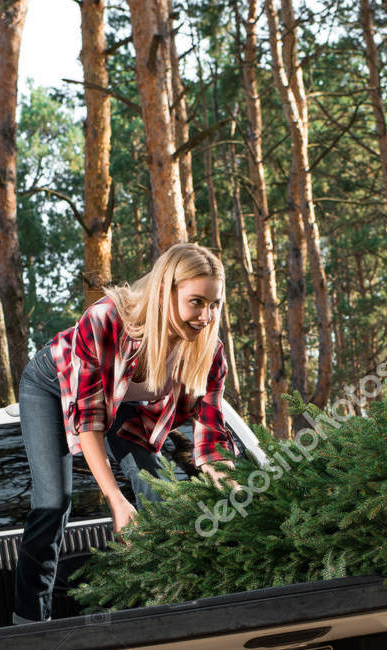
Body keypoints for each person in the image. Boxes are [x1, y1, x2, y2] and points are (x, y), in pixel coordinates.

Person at [12, 243, 237, 625]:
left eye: (214, 304)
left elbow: (211, 438)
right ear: (165, 292)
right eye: (196, 302)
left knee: (159, 490)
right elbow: (90, 421)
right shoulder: (105, 320)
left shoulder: (207, 350)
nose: (206, 316)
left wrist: (234, 490)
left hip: (122, 401)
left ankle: (171, 604)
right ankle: (29, 624)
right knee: (53, 503)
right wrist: (116, 500)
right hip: (53, 385)